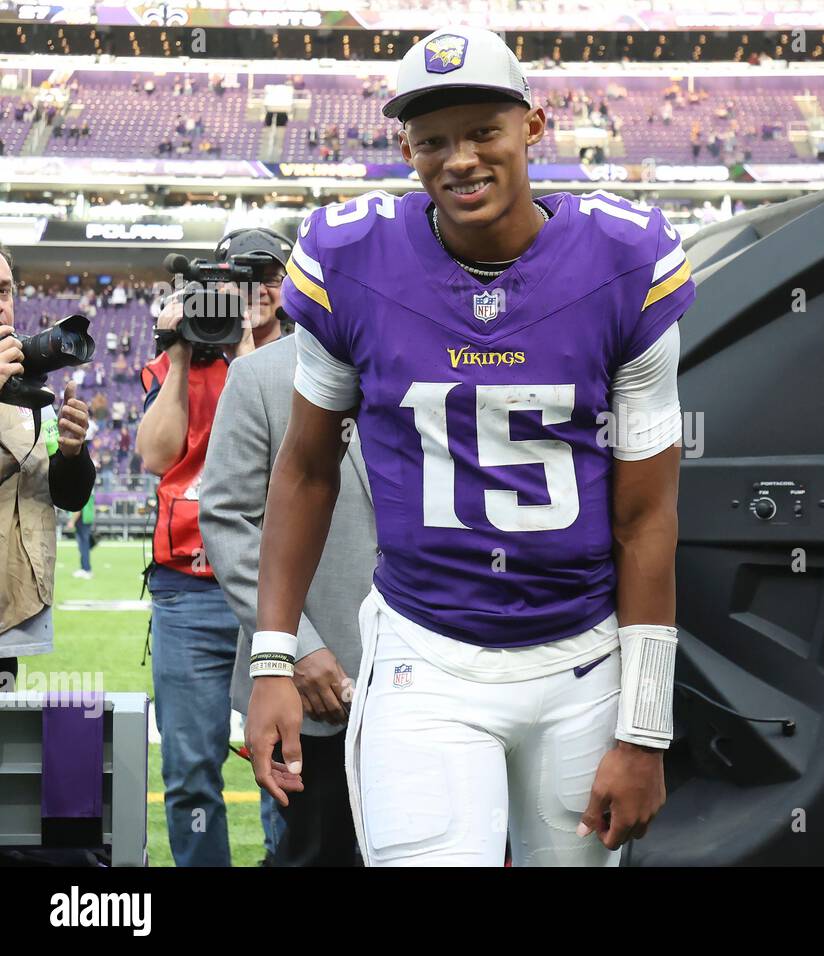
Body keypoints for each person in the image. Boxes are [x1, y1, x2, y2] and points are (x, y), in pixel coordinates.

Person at [247, 26, 694, 867]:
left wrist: (644, 727)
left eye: (483, 130)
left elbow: (647, 515)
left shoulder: (623, 260)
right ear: (407, 150)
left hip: (580, 658)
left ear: (533, 124)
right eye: (433, 141)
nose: (459, 158)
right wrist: (273, 657)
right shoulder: (353, 260)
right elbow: (306, 471)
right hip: (426, 651)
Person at [135, 227, 293, 867]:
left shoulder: (310, 362)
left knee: (287, 757)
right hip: (190, 586)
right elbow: (154, 455)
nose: (254, 290)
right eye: (238, 278)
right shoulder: (180, 364)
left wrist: (252, 348)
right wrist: (178, 355)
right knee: (191, 764)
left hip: (276, 587)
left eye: (267, 276)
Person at [200, 329, 375, 867]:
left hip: (439, 678)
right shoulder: (261, 375)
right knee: (314, 855)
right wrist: (294, 646)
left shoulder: (450, 357)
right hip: (319, 693)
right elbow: (228, 518)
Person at [0, 243, 96, 690]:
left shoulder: (26, 384)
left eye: (3, 291)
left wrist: (73, 454)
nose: (0, 305)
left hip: (13, 602)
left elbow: (66, 494)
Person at [69, 488, 94, 579]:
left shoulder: (80, 490)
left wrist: (72, 521)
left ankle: (86, 569)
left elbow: (78, 507)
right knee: (84, 545)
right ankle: (84, 568)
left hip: (82, 520)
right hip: (87, 519)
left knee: (83, 546)